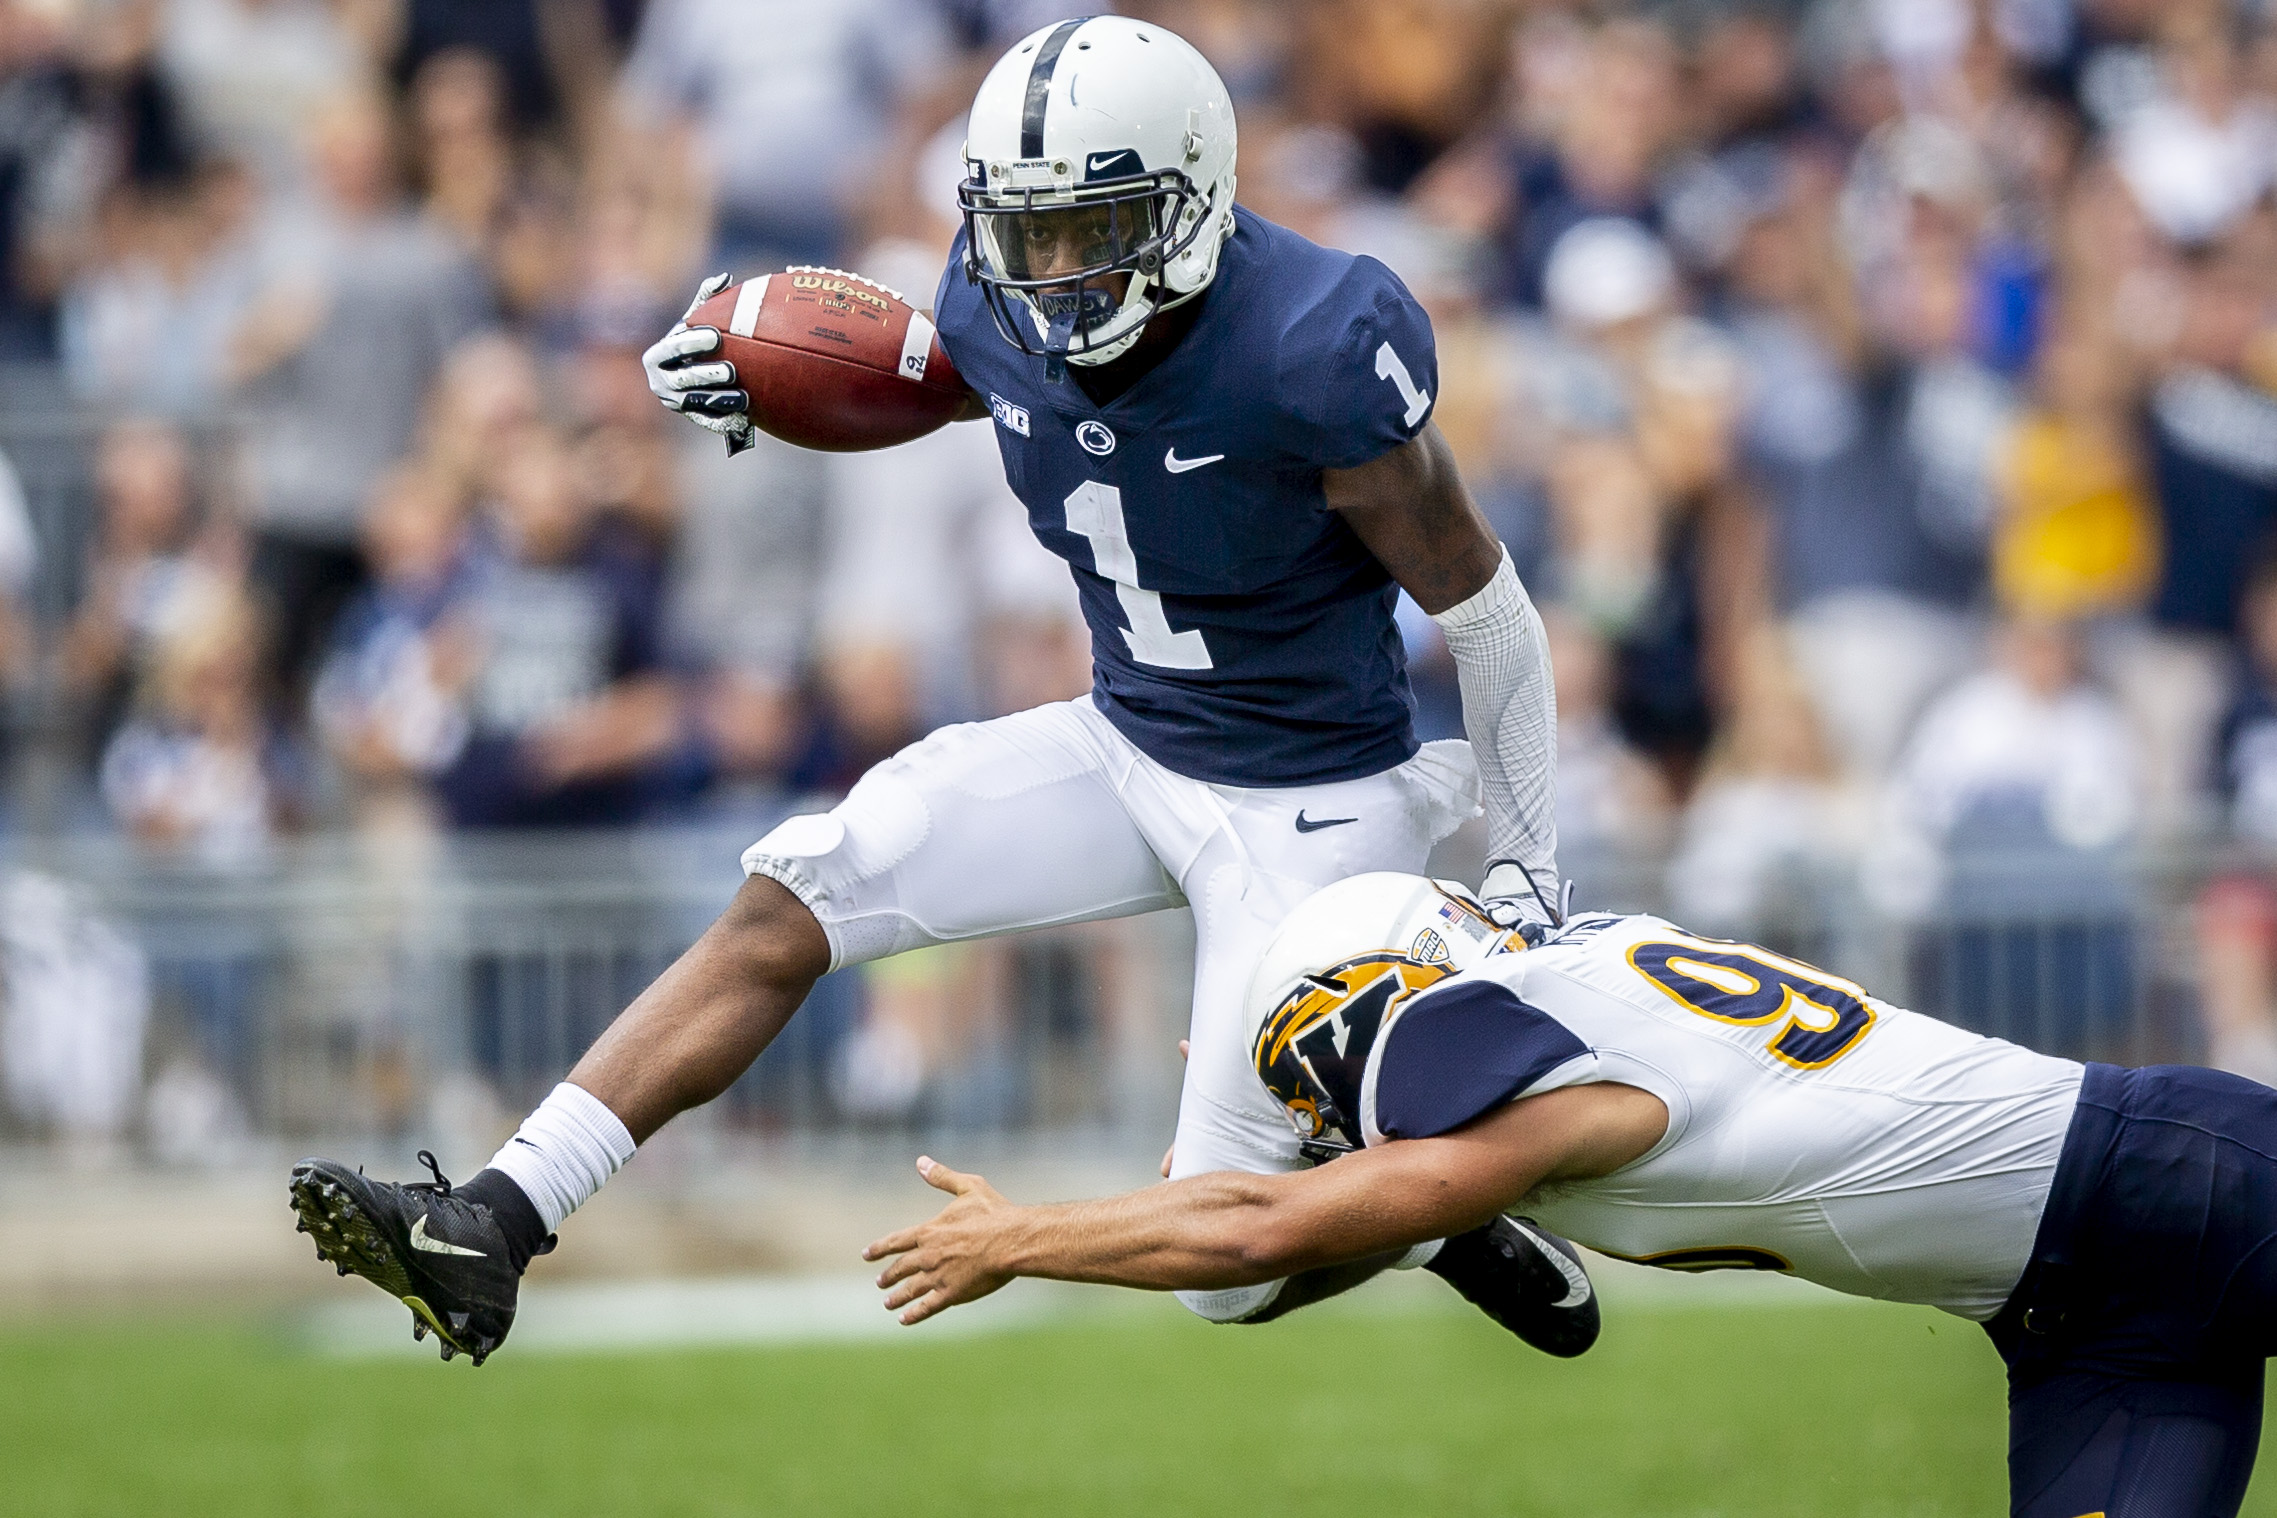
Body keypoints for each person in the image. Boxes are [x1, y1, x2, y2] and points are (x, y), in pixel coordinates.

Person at [288, 16, 1581, 1366]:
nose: (1052, 273)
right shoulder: (987, 299)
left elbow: (1488, 614)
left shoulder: (1314, 342)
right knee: (797, 890)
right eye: (1027, 232)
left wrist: (1526, 871)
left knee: (1224, 1274)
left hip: (1313, 794)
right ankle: (492, 1220)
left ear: (1193, 199)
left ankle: (1427, 1206)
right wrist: (770, 378)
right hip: (1127, 737)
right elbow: (968, 378)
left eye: (1093, 230)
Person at [869, 869, 2277, 1518]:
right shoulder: (1556, 1002)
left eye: (1322, 1049)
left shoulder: (1546, 1080)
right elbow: (1534, 1296)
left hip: (2168, 1181)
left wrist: (1022, 1235)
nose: (1324, 1094)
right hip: (2078, 1326)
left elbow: (1259, 1229)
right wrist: (1382, 1195)